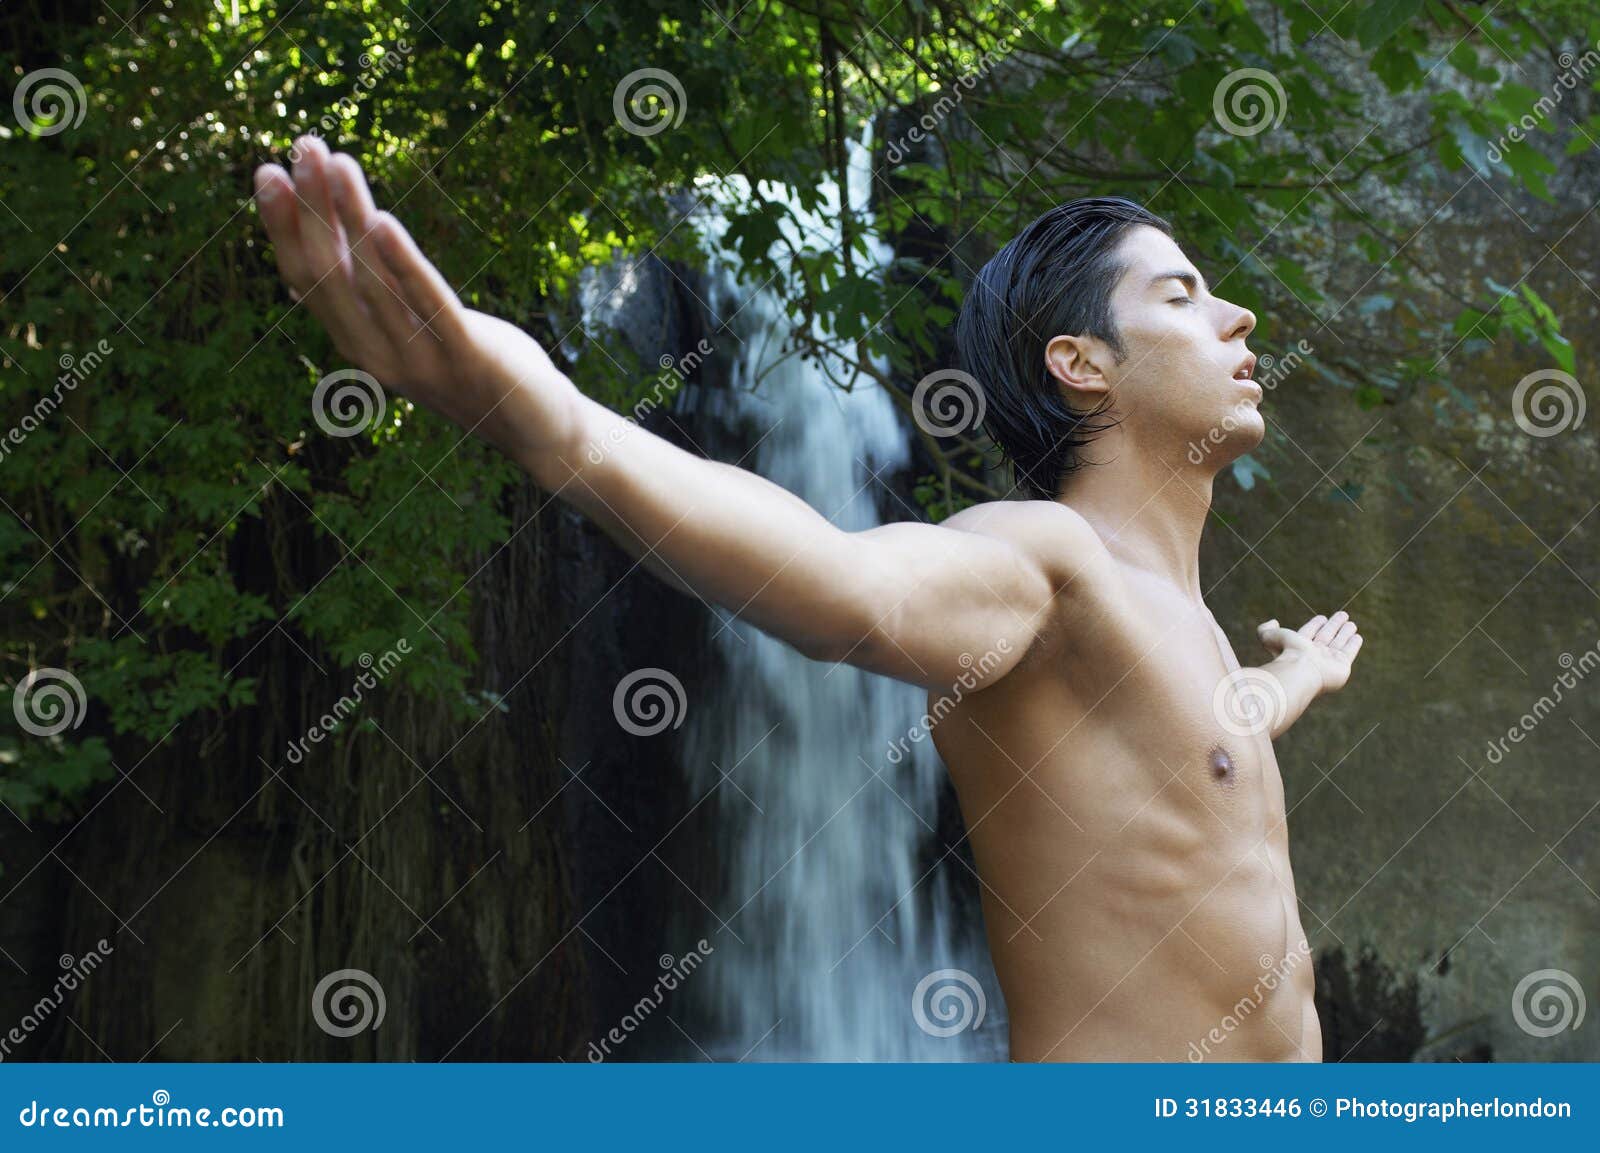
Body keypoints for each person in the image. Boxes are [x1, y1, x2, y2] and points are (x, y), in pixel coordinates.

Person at [251, 137, 1364, 1061]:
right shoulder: (1046, 564)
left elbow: (1192, 744)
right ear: (1081, 364)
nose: (1238, 319)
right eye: (1181, 296)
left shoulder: (1188, 628)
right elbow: (843, 585)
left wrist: (1291, 675)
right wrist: (552, 422)